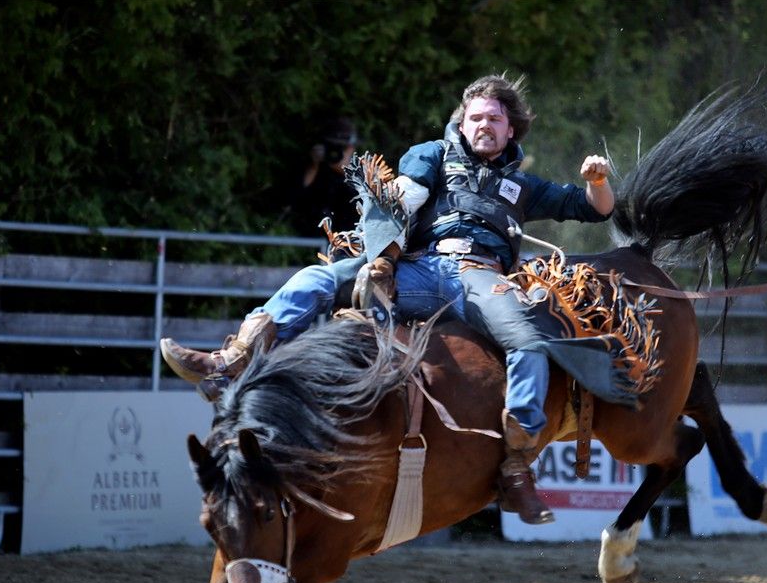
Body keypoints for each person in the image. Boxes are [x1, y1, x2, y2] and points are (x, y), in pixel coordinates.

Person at [160, 74, 614, 525]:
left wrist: (597, 181)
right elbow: (407, 193)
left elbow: (594, 208)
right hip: (415, 267)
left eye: (493, 118)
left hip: (480, 277)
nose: (483, 125)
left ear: (510, 128)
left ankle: (517, 467)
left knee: (529, 341)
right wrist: (386, 251)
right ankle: (231, 362)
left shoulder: (525, 187)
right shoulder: (432, 155)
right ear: (461, 123)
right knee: (320, 277)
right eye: (475, 117)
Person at [288, 116, 359, 235]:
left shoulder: (360, 172)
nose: (336, 152)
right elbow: (294, 198)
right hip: (312, 236)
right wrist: (313, 165)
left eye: (342, 148)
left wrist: (344, 169)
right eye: (333, 146)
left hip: (347, 239)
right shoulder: (315, 169)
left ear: (351, 149)